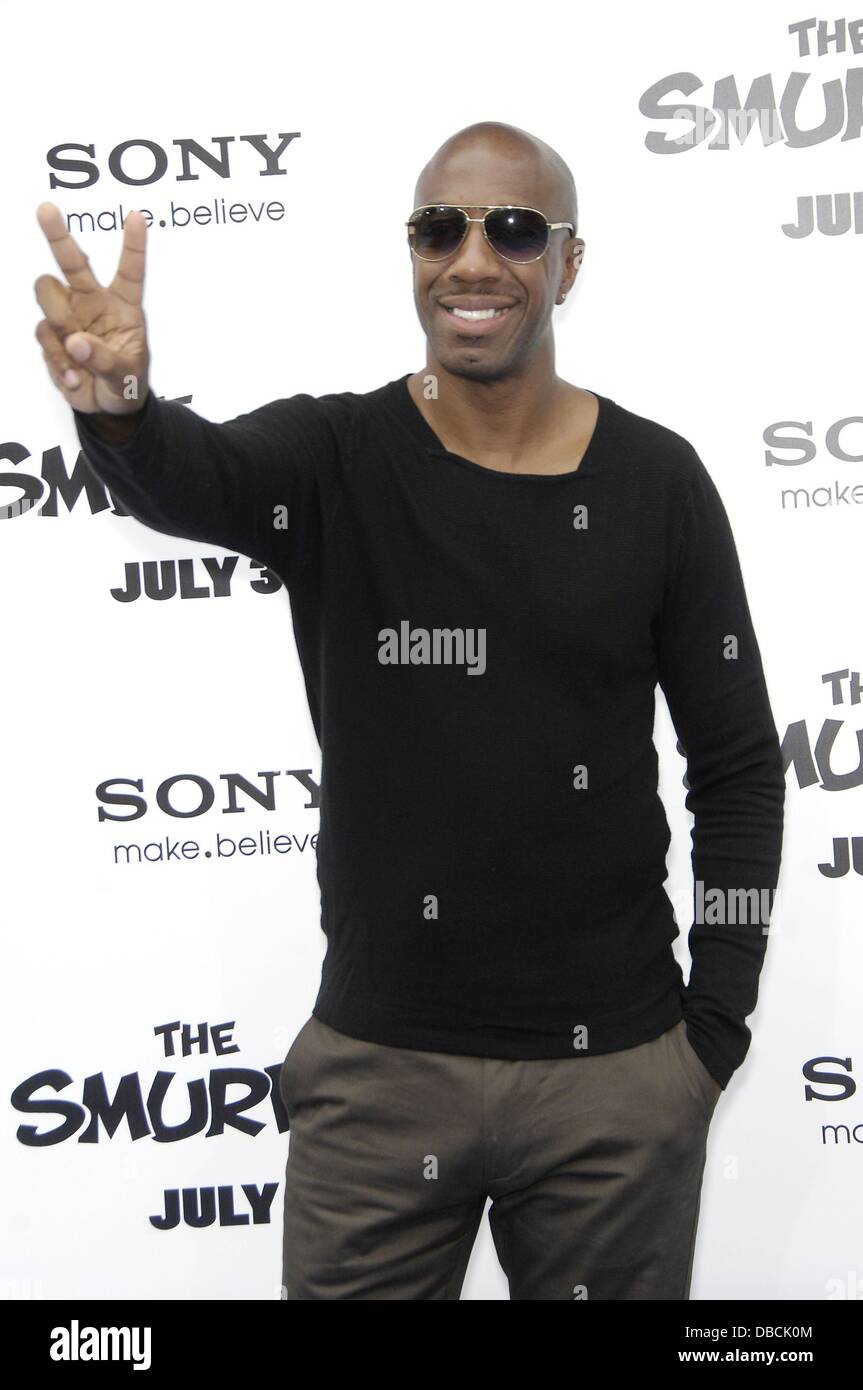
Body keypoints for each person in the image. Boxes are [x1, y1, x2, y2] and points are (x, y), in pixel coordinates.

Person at [34, 120, 785, 1300]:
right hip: (381, 1076)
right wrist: (123, 409)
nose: (472, 259)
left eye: (514, 229)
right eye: (441, 228)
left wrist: (711, 1034)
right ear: (413, 254)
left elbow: (736, 763)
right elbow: (196, 476)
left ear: (568, 265)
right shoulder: (335, 454)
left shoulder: (656, 483)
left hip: (616, 1080)